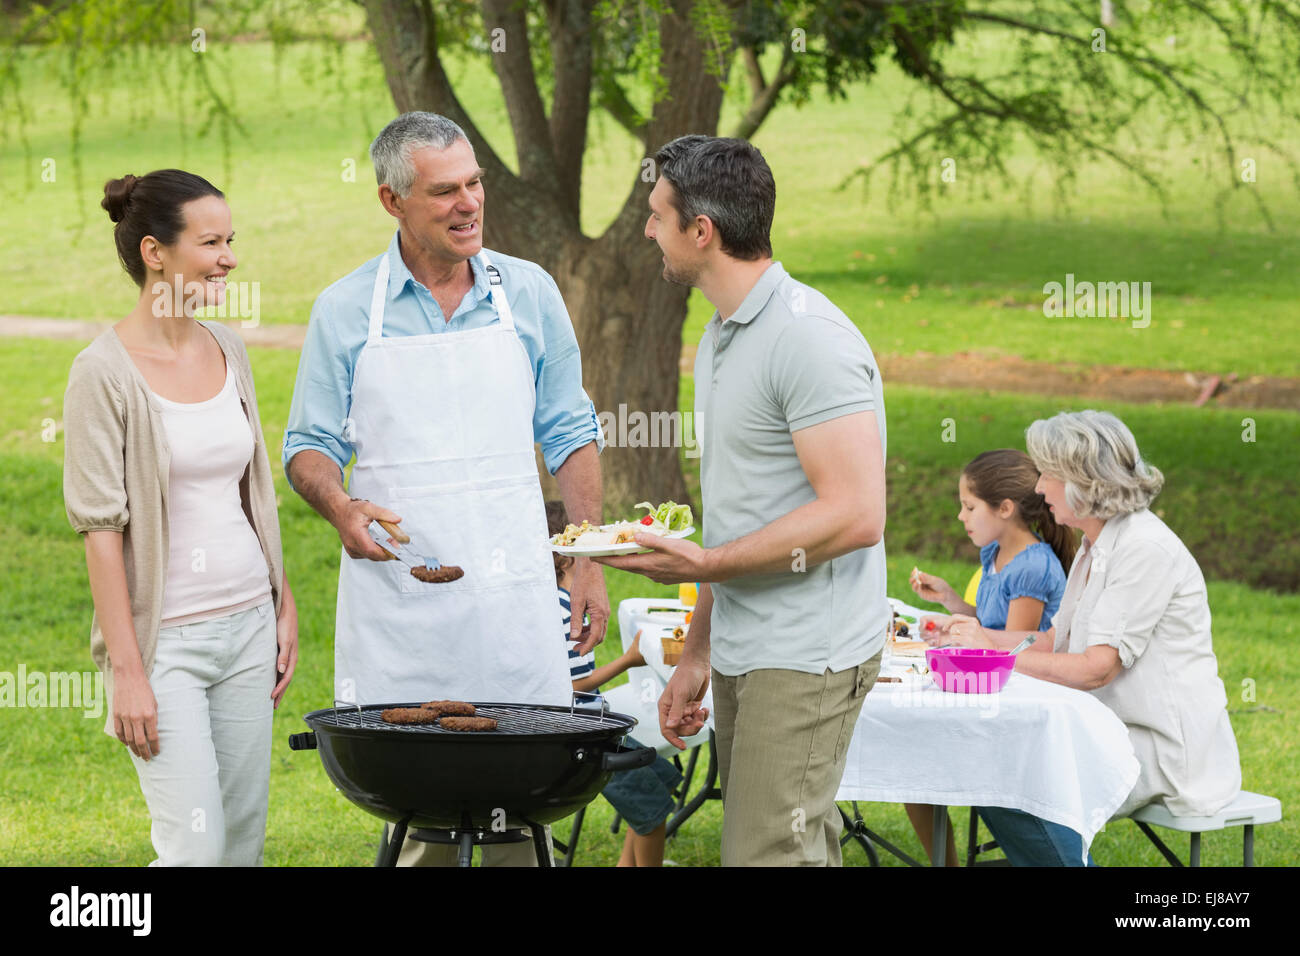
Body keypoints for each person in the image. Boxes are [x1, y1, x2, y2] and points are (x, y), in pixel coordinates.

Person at [283, 112, 606, 866]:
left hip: (514, 603)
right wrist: (340, 506)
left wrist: (587, 558)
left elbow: (570, 431)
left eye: (474, 184)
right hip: (402, 608)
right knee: (419, 804)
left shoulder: (528, 293)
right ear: (392, 202)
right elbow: (308, 447)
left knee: (518, 809)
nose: (469, 205)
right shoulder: (344, 310)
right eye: (443, 193)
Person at [600, 135, 887, 866]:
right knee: (786, 850)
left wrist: (708, 560)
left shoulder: (808, 338)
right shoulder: (726, 334)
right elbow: (744, 513)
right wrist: (698, 650)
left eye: (658, 214)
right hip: (746, 646)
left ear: (704, 231)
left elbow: (856, 513)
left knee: (767, 856)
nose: (646, 229)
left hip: (806, 655)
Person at [63, 170, 297, 866]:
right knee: (195, 850)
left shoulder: (228, 349)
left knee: (241, 843)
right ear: (154, 252)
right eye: (212, 242)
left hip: (250, 628)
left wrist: (281, 600)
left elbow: (252, 490)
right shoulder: (101, 374)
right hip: (167, 647)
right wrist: (128, 673)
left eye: (231, 240)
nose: (230, 257)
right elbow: (101, 533)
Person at [945, 410, 1242, 866]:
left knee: (1000, 771)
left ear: (1083, 479)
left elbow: (1096, 668)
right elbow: (1053, 642)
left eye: (1048, 474)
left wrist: (994, 657)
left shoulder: (1144, 549)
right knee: (984, 760)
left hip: (1159, 748)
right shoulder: (1095, 544)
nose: (1039, 488)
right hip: (1103, 729)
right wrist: (978, 635)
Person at [905, 448, 1075, 863]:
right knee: (915, 762)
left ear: (1004, 508)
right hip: (988, 683)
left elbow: (1017, 643)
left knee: (926, 752)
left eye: (968, 506)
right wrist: (950, 601)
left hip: (1016, 696)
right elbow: (989, 626)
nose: (961, 517)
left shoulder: (1032, 565)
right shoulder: (994, 554)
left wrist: (971, 637)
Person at [546, 501, 682, 866]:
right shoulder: (562, 610)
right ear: (568, 555)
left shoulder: (561, 603)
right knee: (651, 808)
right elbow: (572, 690)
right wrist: (628, 660)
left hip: (591, 724)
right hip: (580, 735)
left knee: (660, 778)